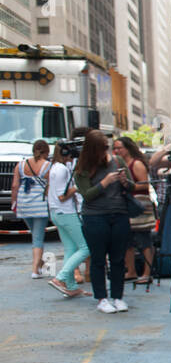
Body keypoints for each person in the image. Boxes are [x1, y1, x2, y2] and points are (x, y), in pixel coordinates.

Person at [75, 130, 140, 314]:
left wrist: (124, 182)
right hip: (95, 217)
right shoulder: (82, 168)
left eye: (107, 147)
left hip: (119, 214)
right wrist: (104, 182)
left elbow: (133, 185)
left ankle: (118, 297)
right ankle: (102, 298)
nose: (106, 151)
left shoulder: (117, 161)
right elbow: (87, 195)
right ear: (92, 149)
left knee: (118, 259)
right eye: (102, 148)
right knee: (98, 259)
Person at [45, 142, 89, 298]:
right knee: (85, 248)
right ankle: (60, 278)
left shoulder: (55, 168)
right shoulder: (62, 170)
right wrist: (78, 186)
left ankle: (70, 286)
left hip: (57, 213)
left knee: (70, 248)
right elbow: (62, 196)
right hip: (66, 212)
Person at [116, 137, 156, 285]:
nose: (117, 151)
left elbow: (145, 185)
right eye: (116, 148)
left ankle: (147, 273)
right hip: (128, 206)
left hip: (140, 206)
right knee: (128, 241)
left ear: (127, 148)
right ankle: (131, 270)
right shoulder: (122, 164)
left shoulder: (136, 164)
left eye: (119, 148)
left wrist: (128, 185)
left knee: (143, 240)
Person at [11, 139, 52, 278]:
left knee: (35, 234)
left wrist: (13, 202)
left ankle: (39, 266)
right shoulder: (47, 166)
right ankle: (35, 270)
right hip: (40, 205)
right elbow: (50, 187)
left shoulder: (21, 165)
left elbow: (15, 186)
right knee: (38, 237)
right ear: (46, 152)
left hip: (24, 204)